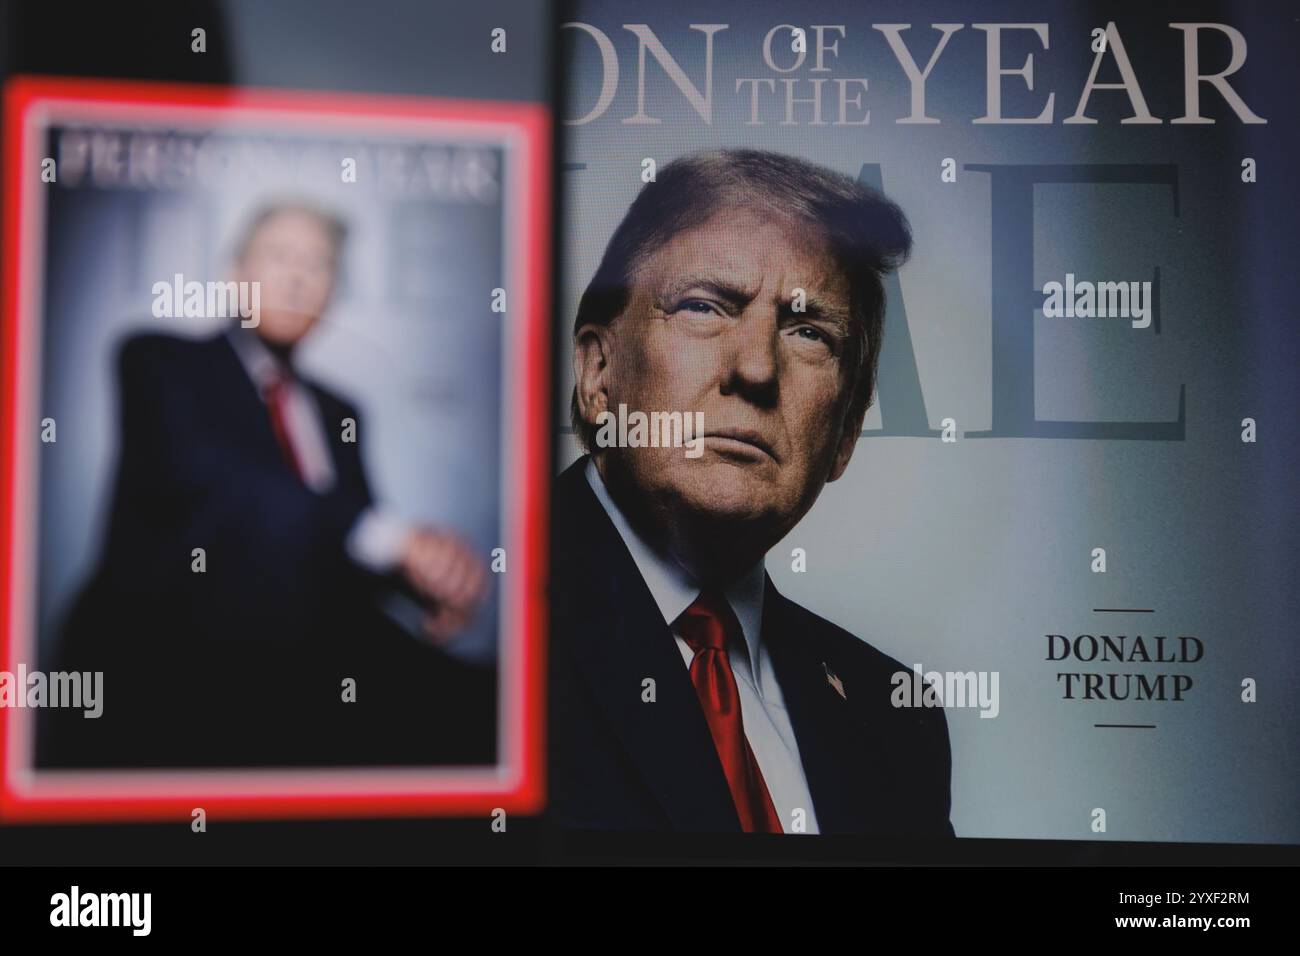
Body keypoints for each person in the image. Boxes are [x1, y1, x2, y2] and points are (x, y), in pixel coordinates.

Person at [552, 149, 955, 835]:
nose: (756, 368)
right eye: (706, 306)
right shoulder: (468, 637)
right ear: (599, 374)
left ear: (847, 432)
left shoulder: (895, 719)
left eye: (807, 332)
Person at [40, 202, 494, 769]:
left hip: (313, 672)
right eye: (279, 256)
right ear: (235, 275)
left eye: (318, 264)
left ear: (331, 294)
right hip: (167, 673)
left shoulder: (338, 412)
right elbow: (222, 486)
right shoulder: (159, 361)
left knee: (494, 710)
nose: (298, 276)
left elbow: (348, 547)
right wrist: (393, 539)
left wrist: (423, 578)